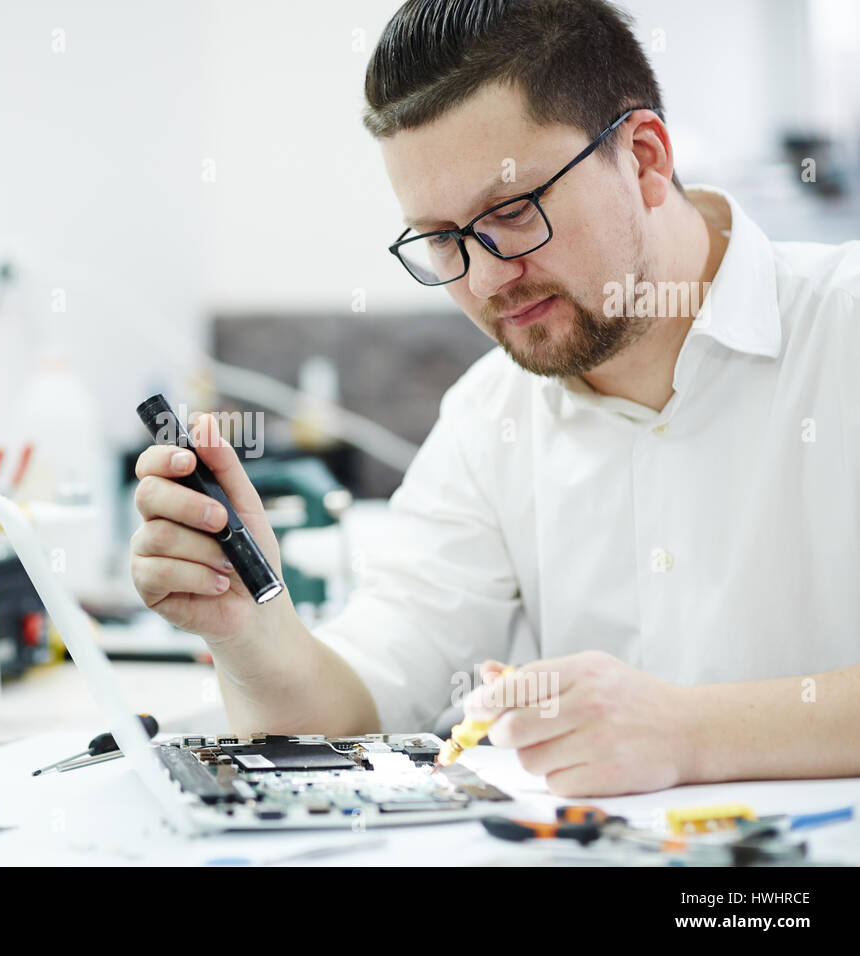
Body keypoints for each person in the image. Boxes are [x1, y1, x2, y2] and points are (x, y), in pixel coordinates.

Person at [129, 0, 860, 797]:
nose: (484, 281)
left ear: (645, 160)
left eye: (512, 213)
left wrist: (689, 733)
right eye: (442, 238)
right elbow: (354, 703)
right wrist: (251, 626)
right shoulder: (489, 418)